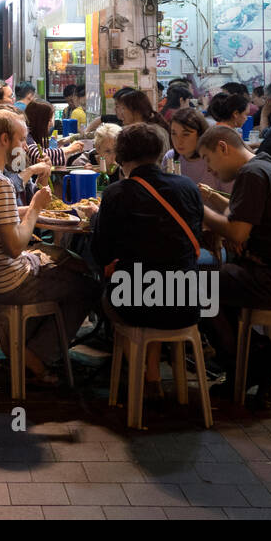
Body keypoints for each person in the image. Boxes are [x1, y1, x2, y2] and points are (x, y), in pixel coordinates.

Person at [0, 111, 94, 385]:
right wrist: (35, 208)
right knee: (87, 287)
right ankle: (36, 355)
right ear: (5, 139)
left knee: (64, 260)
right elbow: (15, 245)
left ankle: (23, 342)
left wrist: (27, 210)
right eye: (21, 139)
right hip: (9, 280)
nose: (24, 146)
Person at [197, 125, 271, 408]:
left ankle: (258, 363)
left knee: (195, 288)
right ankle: (254, 362)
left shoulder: (252, 174)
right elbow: (239, 218)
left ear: (223, 148)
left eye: (208, 159)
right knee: (213, 284)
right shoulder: (269, 163)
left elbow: (237, 231)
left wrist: (198, 207)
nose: (209, 169)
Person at [93, 123, 205, 387]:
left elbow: (101, 253)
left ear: (121, 157)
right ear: (159, 152)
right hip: (189, 299)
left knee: (111, 293)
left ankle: (143, 376)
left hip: (136, 301)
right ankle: (152, 372)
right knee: (156, 276)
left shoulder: (117, 193)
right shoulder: (188, 187)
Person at [162, 108, 230, 194]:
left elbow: (232, 201)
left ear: (200, 135)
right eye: (174, 133)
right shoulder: (170, 157)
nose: (178, 141)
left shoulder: (215, 161)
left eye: (186, 134)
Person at [115, 89, 171, 154]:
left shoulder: (154, 134)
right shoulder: (128, 131)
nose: (121, 113)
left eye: (123, 108)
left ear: (136, 111)